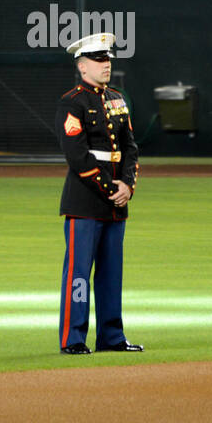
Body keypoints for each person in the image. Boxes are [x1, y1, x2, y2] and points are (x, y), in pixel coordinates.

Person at [55, 32, 141, 355]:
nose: (106, 65)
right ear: (82, 66)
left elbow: (130, 148)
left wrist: (128, 186)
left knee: (110, 274)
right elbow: (76, 155)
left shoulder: (117, 98)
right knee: (79, 275)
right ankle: (73, 338)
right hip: (86, 200)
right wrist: (111, 189)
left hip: (116, 203)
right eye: (98, 60)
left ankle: (111, 337)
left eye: (107, 59)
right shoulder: (72, 102)